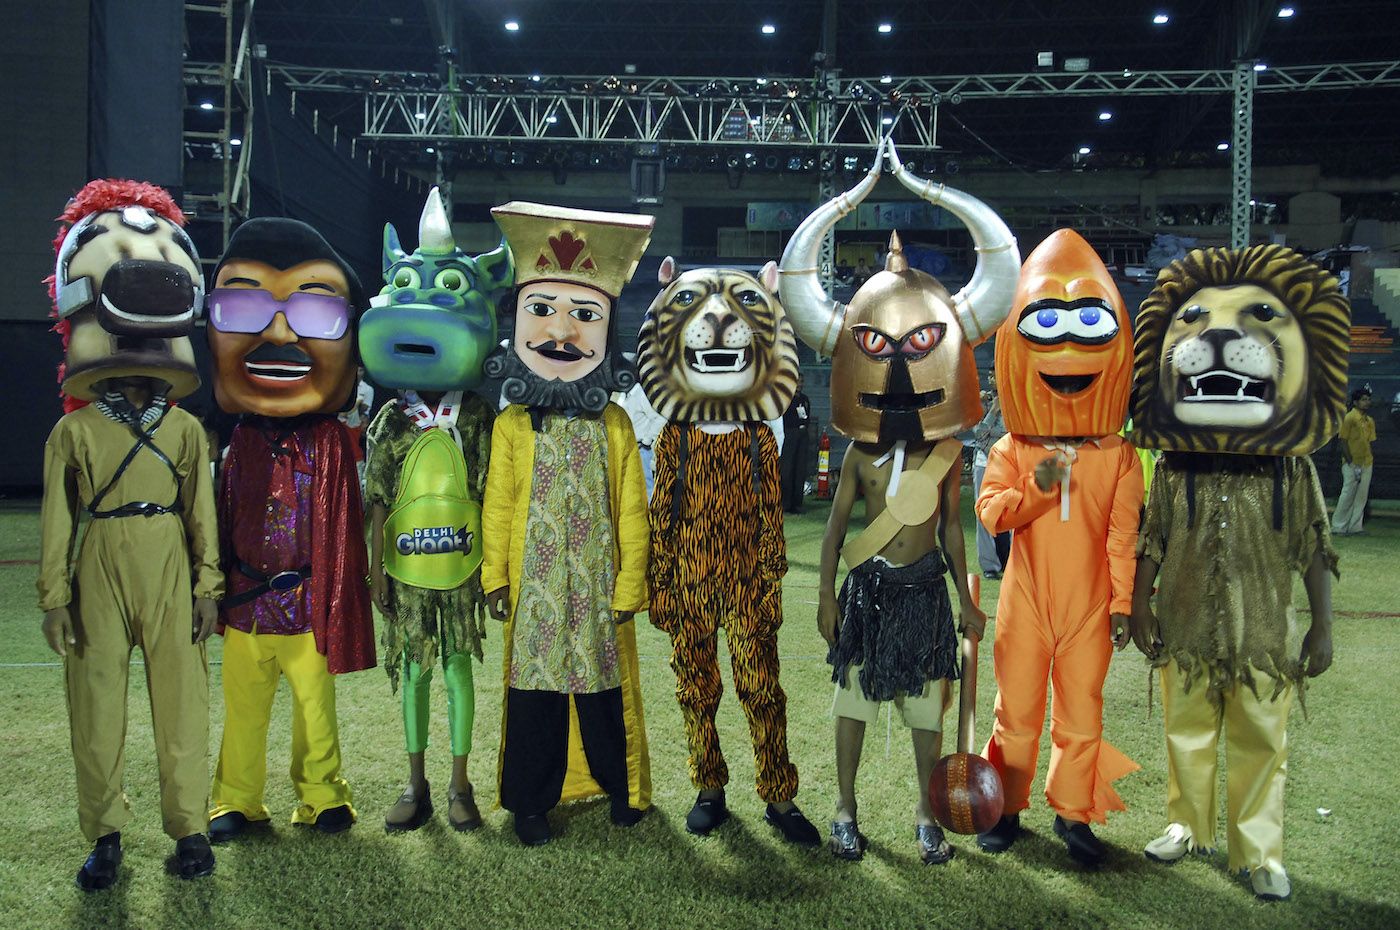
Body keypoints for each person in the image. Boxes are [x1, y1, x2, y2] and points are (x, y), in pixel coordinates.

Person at [779, 139, 1020, 862]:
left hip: (922, 595)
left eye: (919, 349)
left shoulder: (945, 459)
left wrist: (965, 601)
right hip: (868, 592)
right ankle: (845, 810)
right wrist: (826, 596)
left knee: (925, 712)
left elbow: (950, 533)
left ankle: (925, 814)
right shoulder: (858, 457)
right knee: (852, 704)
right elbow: (832, 536)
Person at [1128, 244, 1351, 901]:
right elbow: (1153, 539)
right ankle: (1185, 825)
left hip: (1263, 633)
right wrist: (1140, 605)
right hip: (1185, 625)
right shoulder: (1175, 465)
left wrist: (1322, 627)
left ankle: (1260, 852)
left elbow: (1314, 546)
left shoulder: (1292, 466)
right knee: (1185, 731)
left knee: (1262, 741)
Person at [38, 179, 221, 889]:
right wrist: (56, 598)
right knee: (96, 704)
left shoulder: (184, 429)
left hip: (168, 558)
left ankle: (190, 830)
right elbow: (59, 518)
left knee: (183, 704)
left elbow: (200, 512)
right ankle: (106, 835)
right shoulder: (75, 431)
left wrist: (207, 587)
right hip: (102, 561)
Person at [481, 201, 654, 846]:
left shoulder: (615, 424)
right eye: (542, 311)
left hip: (599, 592)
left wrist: (630, 584)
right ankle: (531, 803)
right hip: (535, 593)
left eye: (585, 315)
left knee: (605, 695)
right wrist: (495, 576)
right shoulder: (512, 426)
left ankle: (621, 790)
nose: (561, 332)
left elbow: (631, 510)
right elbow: (499, 504)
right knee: (535, 700)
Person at [206, 217, 377, 843]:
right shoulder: (241, 442)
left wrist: (339, 601)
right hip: (245, 602)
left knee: (315, 709)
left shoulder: (329, 442)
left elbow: (344, 527)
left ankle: (323, 795)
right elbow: (220, 519)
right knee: (243, 710)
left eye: (313, 312)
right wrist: (213, 590)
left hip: (307, 602)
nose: (279, 333)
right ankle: (235, 800)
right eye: (244, 307)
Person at [976, 229, 1142, 867]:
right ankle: (1007, 807)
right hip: (1026, 602)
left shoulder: (1119, 455)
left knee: (1081, 712)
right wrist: (1044, 483)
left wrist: (1122, 604)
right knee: (1015, 710)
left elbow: (1122, 535)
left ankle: (1074, 814)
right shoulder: (1012, 449)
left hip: (1089, 607)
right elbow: (993, 516)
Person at [639, 257, 818, 845]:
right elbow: (662, 513)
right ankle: (708, 786)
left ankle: (779, 793)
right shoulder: (675, 436)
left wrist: (769, 579)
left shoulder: (759, 436)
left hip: (745, 579)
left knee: (761, 685)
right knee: (695, 685)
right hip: (690, 576)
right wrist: (661, 583)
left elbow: (770, 515)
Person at [359, 188, 514, 832]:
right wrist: (375, 569)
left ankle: (459, 784)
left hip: (461, 568)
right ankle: (415, 781)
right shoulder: (390, 420)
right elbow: (376, 500)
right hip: (407, 572)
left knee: (457, 670)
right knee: (416, 672)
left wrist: (495, 569)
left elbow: (493, 496)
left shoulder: (476, 416)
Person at [970, 381, 1011, 577]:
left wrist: (991, 434)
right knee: (984, 513)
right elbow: (979, 434)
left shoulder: (1014, 401)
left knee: (1012, 511)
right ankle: (990, 565)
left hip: (1008, 464)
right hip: (983, 463)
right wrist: (993, 410)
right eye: (992, 376)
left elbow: (1012, 433)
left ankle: (1012, 562)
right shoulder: (980, 402)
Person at [1332, 387, 1375, 535]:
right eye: (1363, 400)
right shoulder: (1349, 418)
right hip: (1352, 463)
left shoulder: (1369, 421)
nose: (1367, 402)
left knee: (1361, 496)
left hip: (1366, 462)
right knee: (1347, 494)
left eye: (1368, 399)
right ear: (1355, 402)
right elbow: (1343, 441)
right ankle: (1338, 527)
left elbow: (1369, 442)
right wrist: (1351, 463)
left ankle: (1355, 527)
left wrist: (1369, 460)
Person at [618, 381, 666, 498]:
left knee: (645, 486)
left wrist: (647, 441)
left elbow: (660, 418)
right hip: (625, 447)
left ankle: (650, 510)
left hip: (640, 447)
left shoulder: (642, 394)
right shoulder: (623, 394)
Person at [779, 373, 812, 512]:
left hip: (802, 436)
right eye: (797, 381)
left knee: (800, 469)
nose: (799, 384)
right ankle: (785, 503)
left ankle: (797, 503)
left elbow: (807, 417)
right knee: (787, 469)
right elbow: (786, 419)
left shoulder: (805, 399)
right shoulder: (786, 399)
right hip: (790, 435)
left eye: (801, 381)